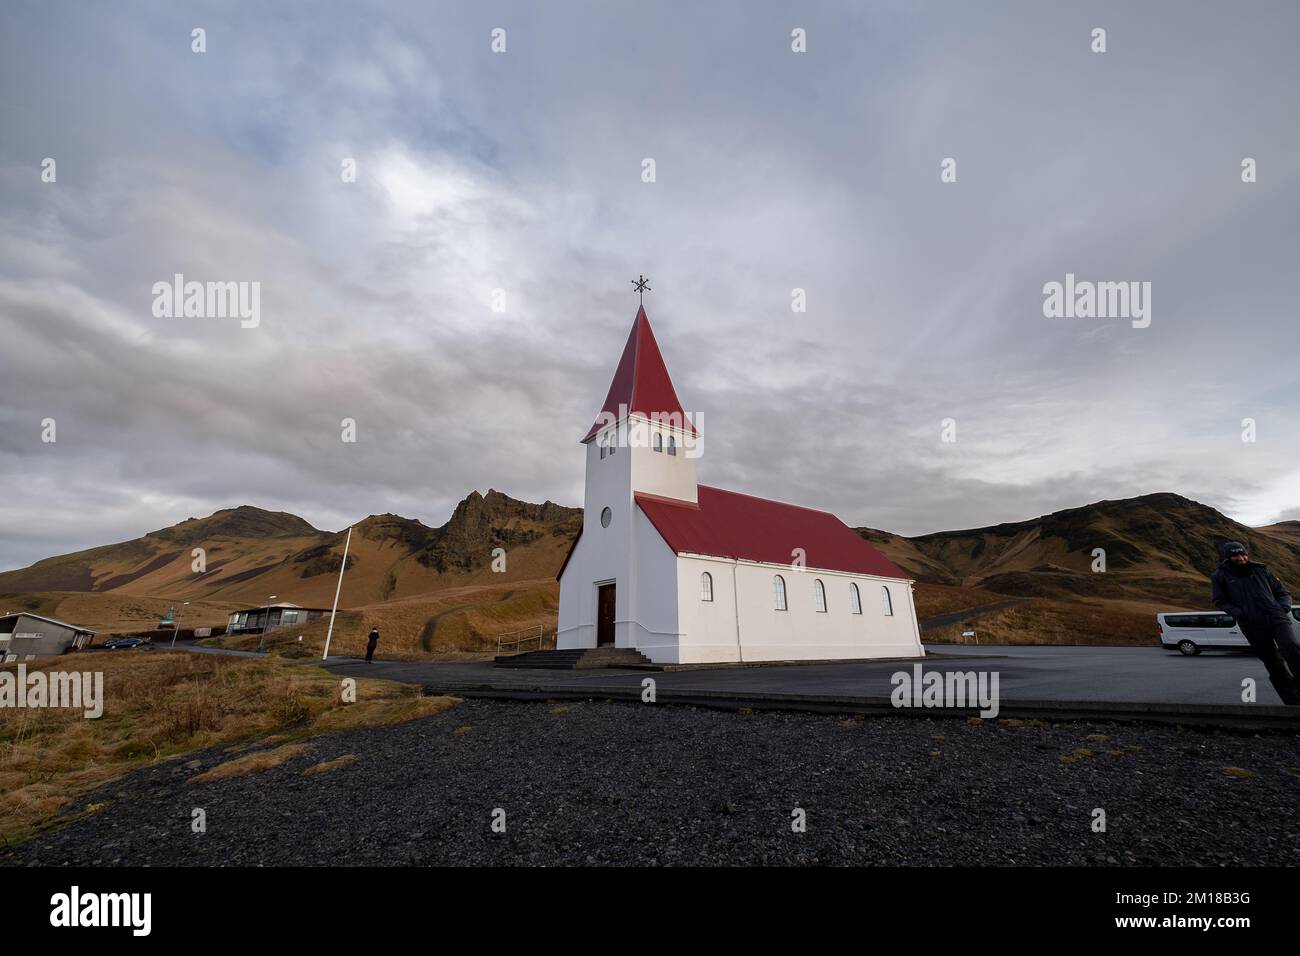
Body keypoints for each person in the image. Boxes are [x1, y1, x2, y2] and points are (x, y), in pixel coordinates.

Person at [1210, 540, 1300, 705]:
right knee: (1272, 661)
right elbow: (1220, 600)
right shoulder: (1219, 576)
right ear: (1228, 557)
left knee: (1291, 648)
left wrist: (1283, 607)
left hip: (1276, 618)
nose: (1241, 558)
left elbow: (1283, 592)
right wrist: (1241, 613)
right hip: (1251, 624)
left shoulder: (1262, 569)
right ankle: (1292, 700)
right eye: (1236, 555)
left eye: (1243, 554)